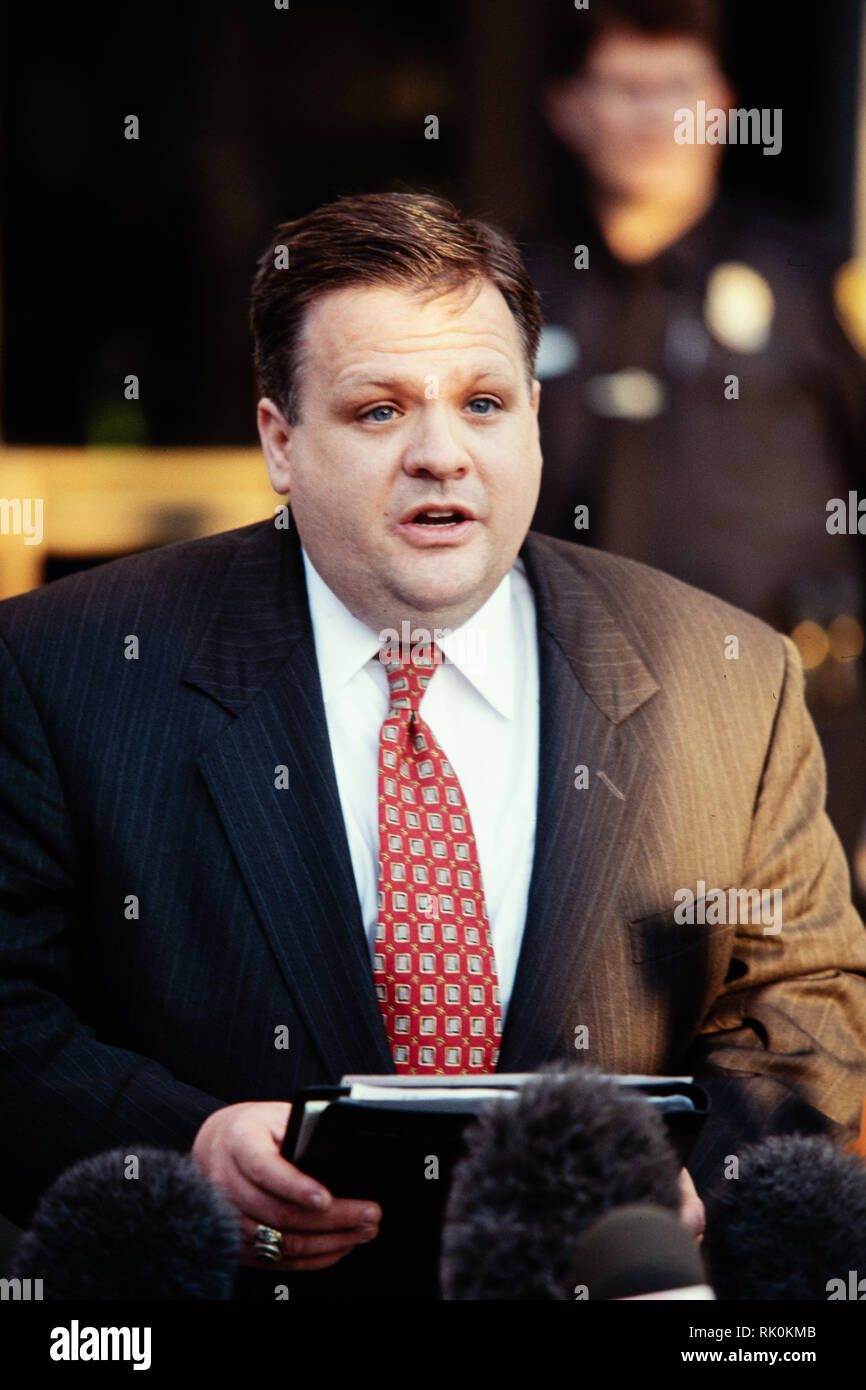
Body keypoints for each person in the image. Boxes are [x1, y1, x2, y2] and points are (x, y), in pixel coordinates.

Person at [0, 192, 865, 1302]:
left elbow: (805, 995)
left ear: (536, 418)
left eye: (484, 402)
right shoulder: (64, 666)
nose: (441, 455)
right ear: (278, 439)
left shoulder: (727, 679)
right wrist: (183, 1144)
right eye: (376, 412)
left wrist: (692, 1176)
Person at [528, 0, 866, 906]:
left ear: (718, 104)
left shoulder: (815, 279)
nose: (653, 118)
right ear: (569, 107)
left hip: (801, 736)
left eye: (674, 89)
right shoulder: (513, 289)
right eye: (625, 89)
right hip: (570, 740)